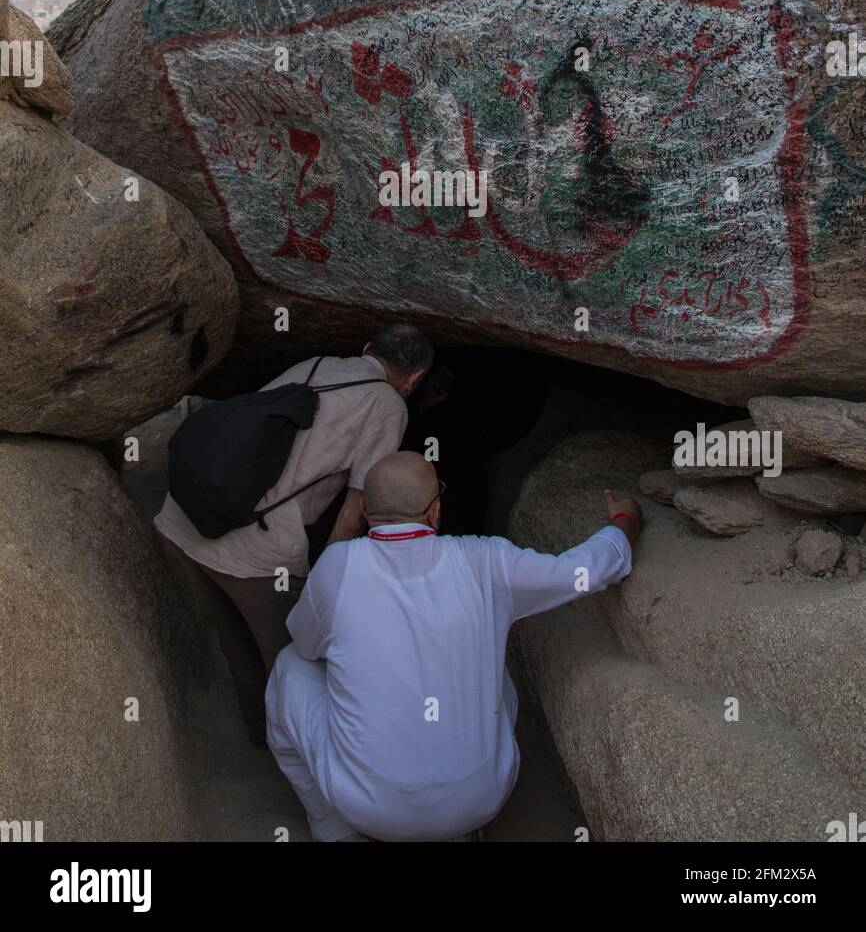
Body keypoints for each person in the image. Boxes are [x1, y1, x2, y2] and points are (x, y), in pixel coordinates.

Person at [265, 450, 642, 841]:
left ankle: (334, 830)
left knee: (288, 666)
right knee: (495, 671)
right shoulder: (487, 560)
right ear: (435, 511)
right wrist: (624, 522)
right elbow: (582, 572)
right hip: (482, 799)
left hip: (367, 808)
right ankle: (459, 825)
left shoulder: (336, 567)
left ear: (363, 508)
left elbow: (308, 647)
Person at [155, 324, 433, 744]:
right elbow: (356, 510)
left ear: (364, 348)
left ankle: (261, 740)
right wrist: (328, 579)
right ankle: (301, 762)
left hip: (185, 521)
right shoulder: (387, 405)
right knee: (297, 661)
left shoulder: (314, 364)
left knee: (236, 642)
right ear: (414, 379)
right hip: (254, 550)